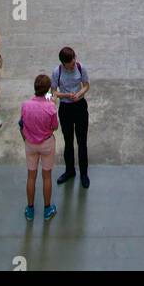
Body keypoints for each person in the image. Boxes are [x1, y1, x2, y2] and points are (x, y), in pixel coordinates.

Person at [19, 73, 59, 222]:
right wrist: (53, 104)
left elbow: (22, 123)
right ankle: (47, 208)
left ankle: (30, 209)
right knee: (46, 176)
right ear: (48, 89)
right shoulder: (51, 107)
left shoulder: (26, 105)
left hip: (30, 144)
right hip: (47, 143)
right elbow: (54, 126)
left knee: (31, 176)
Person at [51, 47, 90, 188]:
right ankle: (69, 170)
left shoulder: (80, 67)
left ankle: (84, 173)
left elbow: (86, 85)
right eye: (70, 61)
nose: (73, 62)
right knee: (68, 141)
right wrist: (66, 95)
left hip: (79, 106)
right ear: (63, 63)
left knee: (82, 141)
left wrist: (79, 94)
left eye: (74, 58)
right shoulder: (57, 72)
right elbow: (53, 92)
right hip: (66, 108)